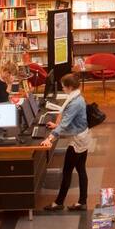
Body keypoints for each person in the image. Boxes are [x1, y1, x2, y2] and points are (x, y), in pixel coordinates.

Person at [42, 73, 90, 211]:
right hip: (83, 137)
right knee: (81, 169)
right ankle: (82, 202)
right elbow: (68, 120)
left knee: (67, 171)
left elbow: (65, 123)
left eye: (63, 87)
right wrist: (56, 126)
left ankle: (59, 203)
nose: (62, 89)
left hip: (77, 141)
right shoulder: (77, 97)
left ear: (69, 87)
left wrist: (50, 138)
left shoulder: (74, 102)